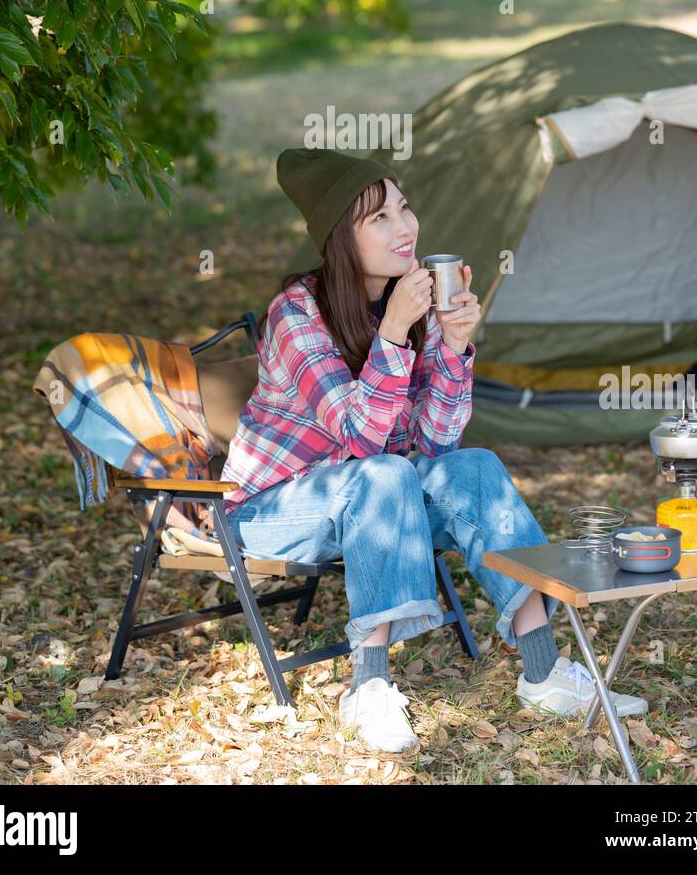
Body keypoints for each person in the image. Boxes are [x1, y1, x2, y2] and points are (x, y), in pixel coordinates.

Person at [219, 147, 647, 753]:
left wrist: (450, 344)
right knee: (383, 475)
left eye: (405, 208)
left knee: (473, 467)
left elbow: (436, 443)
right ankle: (368, 690)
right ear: (343, 236)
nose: (406, 227)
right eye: (380, 218)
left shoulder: (404, 300)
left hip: (375, 493)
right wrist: (392, 335)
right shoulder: (297, 312)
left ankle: (544, 671)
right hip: (271, 509)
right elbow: (362, 441)